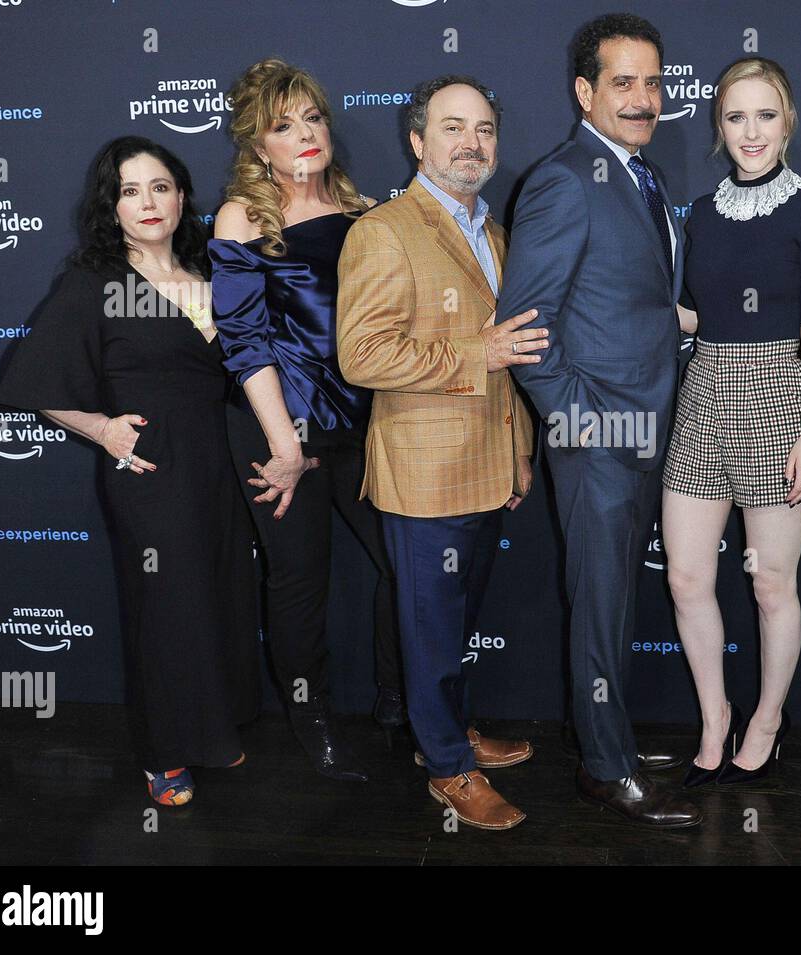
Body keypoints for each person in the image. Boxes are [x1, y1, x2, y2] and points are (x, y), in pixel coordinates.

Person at [0, 136, 260, 806]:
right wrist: (102, 428)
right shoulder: (95, 283)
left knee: (218, 596)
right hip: (150, 471)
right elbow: (34, 378)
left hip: (219, 460)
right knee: (166, 611)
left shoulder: (210, 270)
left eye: (161, 187)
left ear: (181, 197)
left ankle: (212, 729)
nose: (147, 202)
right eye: (130, 190)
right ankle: (164, 753)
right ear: (110, 205)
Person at [495, 13, 701, 828]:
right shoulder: (564, 180)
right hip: (600, 440)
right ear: (585, 91)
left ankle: (606, 737)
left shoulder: (640, 176)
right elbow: (524, 330)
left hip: (646, 429)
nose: (643, 98)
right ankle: (606, 766)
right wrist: (583, 425)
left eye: (653, 82)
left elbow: (631, 299)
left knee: (613, 602)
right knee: (600, 598)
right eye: (624, 82)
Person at [337, 75, 540, 830]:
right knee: (429, 631)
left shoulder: (494, 230)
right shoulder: (383, 230)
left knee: (454, 626)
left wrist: (520, 449)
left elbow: (513, 356)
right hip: (425, 475)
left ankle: (451, 731)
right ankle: (448, 767)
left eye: (485, 129)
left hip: (491, 462)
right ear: (418, 142)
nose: (472, 143)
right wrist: (473, 352)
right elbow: (361, 354)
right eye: (454, 128)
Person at [209, 59, 404, 783]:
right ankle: (311, 719)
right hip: (276, 424)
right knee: (299, 579)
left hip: (357, 421)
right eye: (282, 126)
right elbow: (243, 339)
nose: (303, 135)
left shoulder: (362, 209)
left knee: (402, 562)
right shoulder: (242, 216)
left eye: (312, 118)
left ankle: (396, 699)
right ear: (260, 146)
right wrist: (286, 444)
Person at [663, 57, 801, 787]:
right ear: (718, 124)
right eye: (736, 116)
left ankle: (767, 719)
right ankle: (715, 718)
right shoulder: (702, 212)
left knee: (772, 582)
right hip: (704, 388)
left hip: (779, 394)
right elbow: (698, 313)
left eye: (765, 115)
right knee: (685, 575)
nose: (751, 131)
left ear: (788, 121)